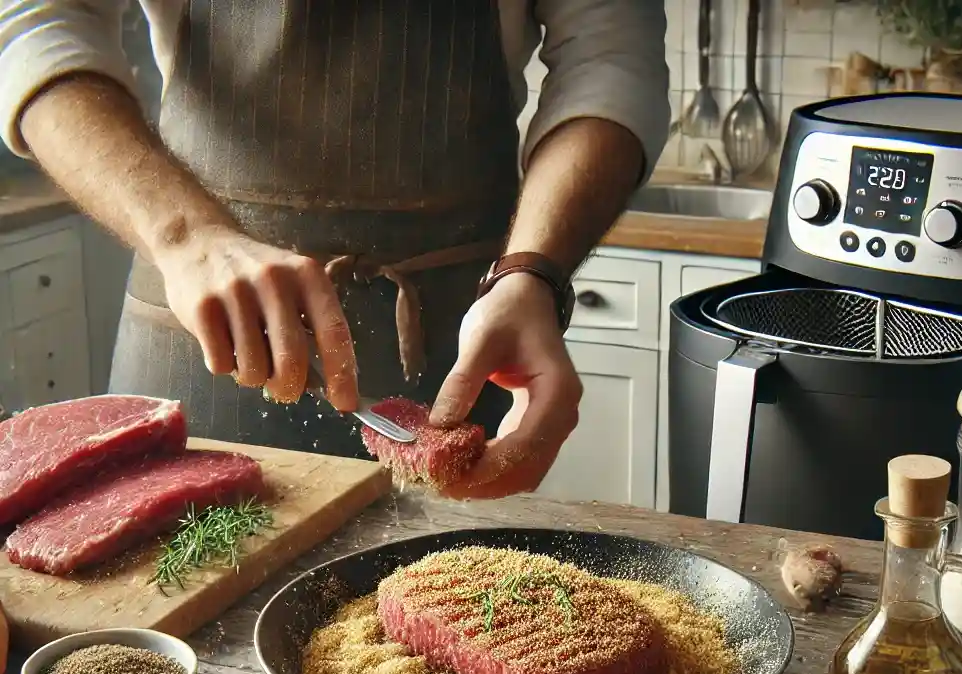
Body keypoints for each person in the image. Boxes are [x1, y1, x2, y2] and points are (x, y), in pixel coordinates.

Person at [0, 1, 669, 499]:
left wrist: (532, 272)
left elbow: (610, 57)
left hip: (462, 346)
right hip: (197, 330)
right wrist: (184, 235)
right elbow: (37, 21)